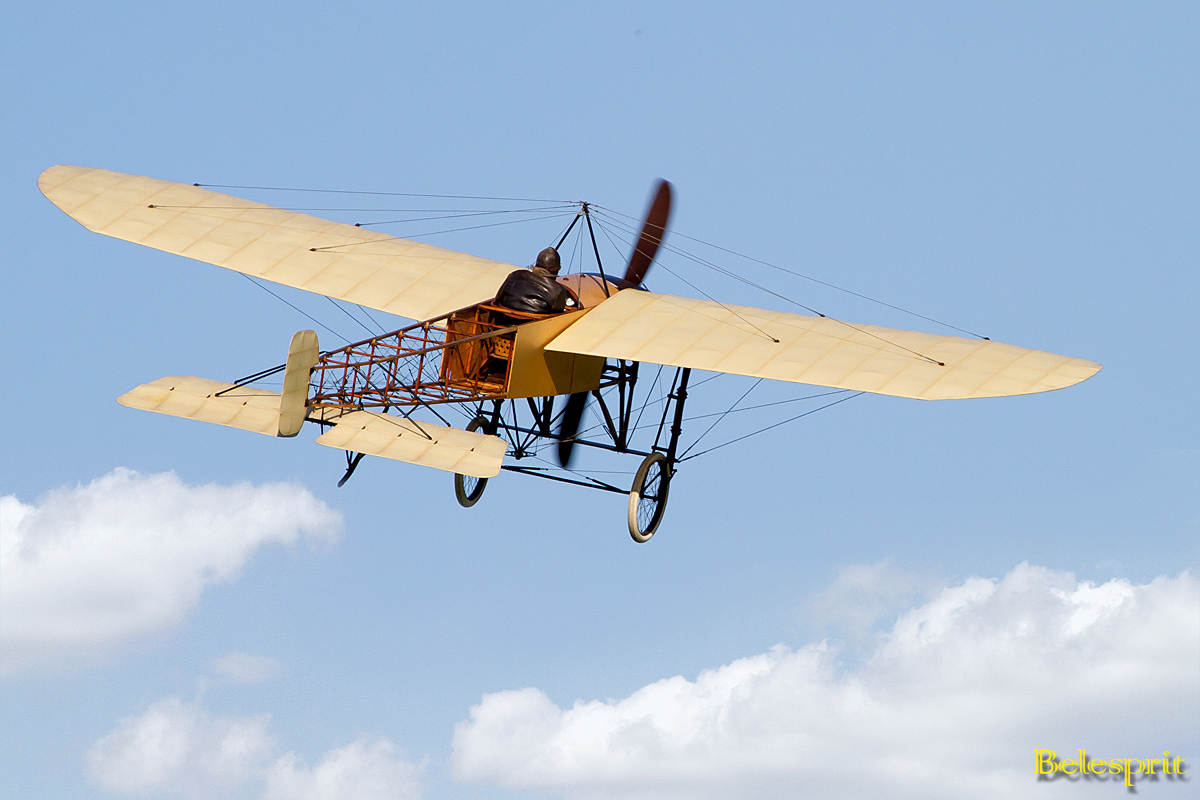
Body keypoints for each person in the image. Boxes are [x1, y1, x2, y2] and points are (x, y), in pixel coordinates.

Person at [494, 247, 576, 314]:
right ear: (557, 269)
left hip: (502, 322)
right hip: (531, 328)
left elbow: (497, 299)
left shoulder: (515, 274)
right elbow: (557, 315)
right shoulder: (557, 290)